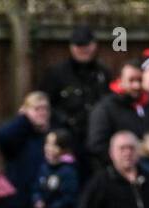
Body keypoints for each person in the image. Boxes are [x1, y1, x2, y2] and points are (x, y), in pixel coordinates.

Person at [41, 26, 109, 180]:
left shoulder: (103, 74)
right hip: (67, 141)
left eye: (86, 45)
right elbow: (46, 104)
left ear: (94, 46)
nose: (82, 50)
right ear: (71, 47)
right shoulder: (57, 73)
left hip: (95, 140)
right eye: (78, 46)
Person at [0, 91, 51, 208]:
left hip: (45, 202)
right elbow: (2, 137)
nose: (41, 113)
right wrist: (23, 120)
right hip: (18, 201)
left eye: (44, 109)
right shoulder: (19, 133)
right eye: (36, 109)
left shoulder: (50, 135)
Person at [86, 61, 148, 166]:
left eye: (140, 80)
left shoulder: (148, 106)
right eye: (131, 80)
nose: (137, 85)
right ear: (120, 81)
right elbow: (97, 145)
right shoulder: (105, 109)